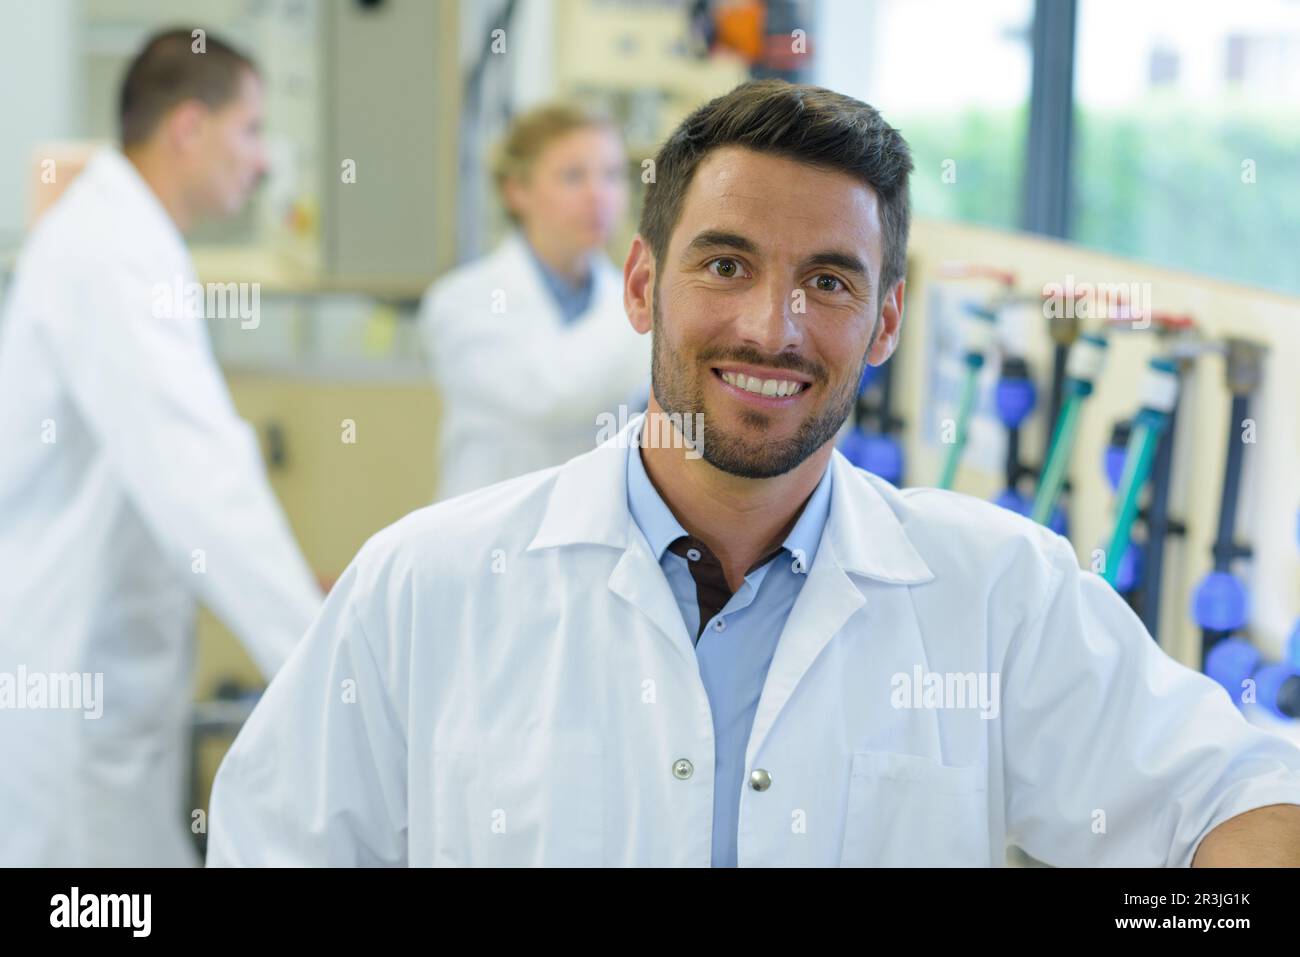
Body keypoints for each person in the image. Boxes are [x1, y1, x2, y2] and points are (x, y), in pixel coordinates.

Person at [206, 80, 1300, 867]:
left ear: (884, 325)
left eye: (829, 281)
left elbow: (1224, 797)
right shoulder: (423, 586)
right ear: (640, 286)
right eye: (725, 264)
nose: (772, 327)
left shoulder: (997, 594)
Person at [0, 30, 321, 866]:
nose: (261, 162)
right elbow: (201, 478)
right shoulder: (111, 254)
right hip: (68, 681)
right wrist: (321, 658)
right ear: (188, 128)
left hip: (105, 682)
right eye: (249, 130)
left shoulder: (129, 240)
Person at [420, 103, 649, 500]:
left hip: (597, 533)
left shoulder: (628, 296)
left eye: (612, 175)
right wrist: (654, 296)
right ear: (517, 190)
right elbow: (545, 397)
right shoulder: (463, 302)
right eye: (573, 176)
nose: (599, 196)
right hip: (487, 539)